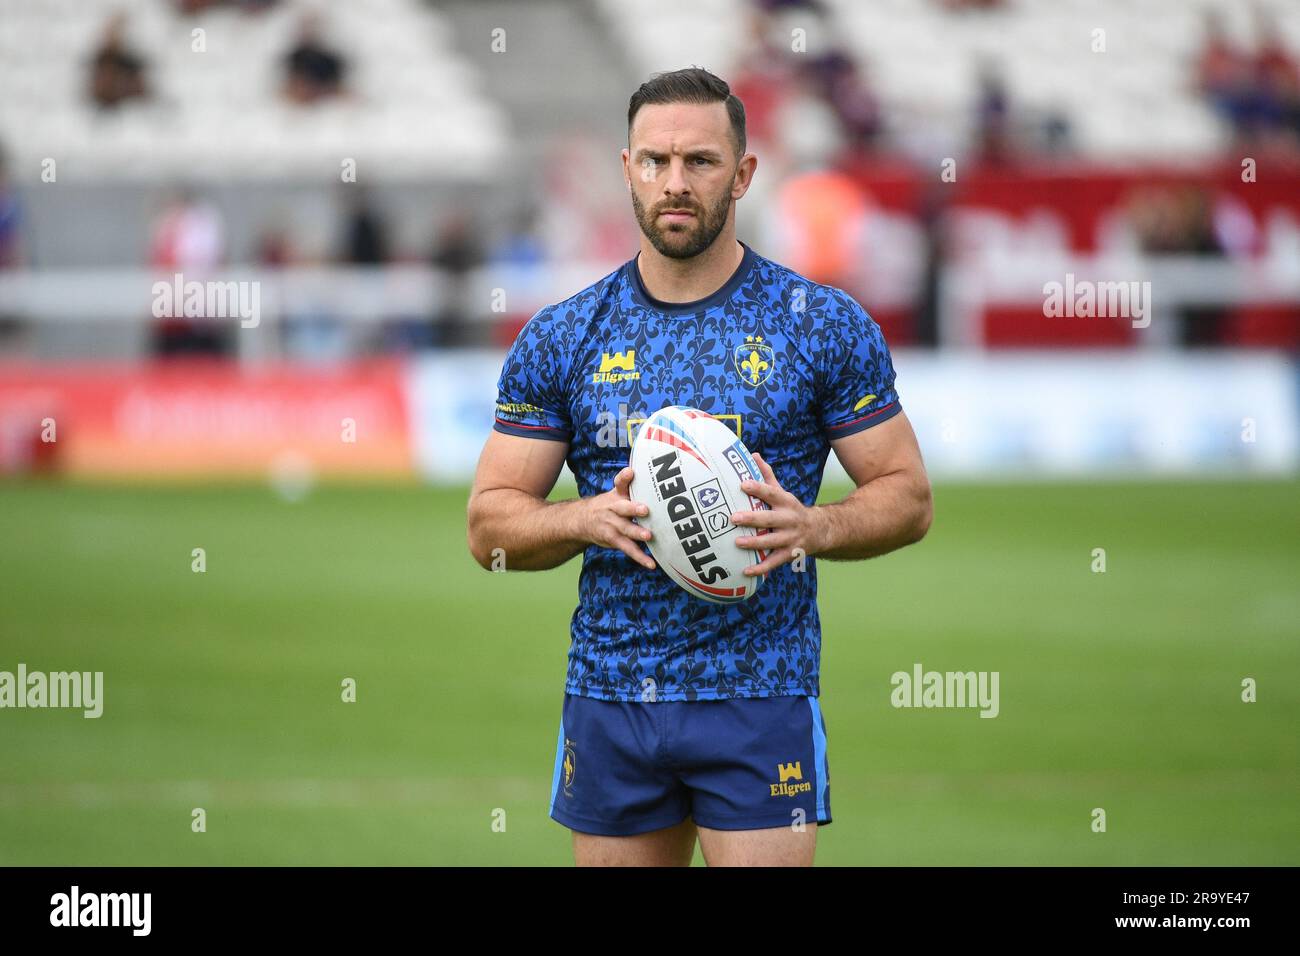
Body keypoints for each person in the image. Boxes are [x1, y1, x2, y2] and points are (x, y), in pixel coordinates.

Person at [466, 68, 932, 867]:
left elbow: (908, 496)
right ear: (627, 169)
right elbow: (488, 523)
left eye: (701, 162)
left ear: (744, 173)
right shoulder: (563, 335)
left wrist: (816, 525)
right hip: (612, 693)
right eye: (655, 161)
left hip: (759, 695)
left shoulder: (818, 324)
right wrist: (584, 518)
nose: (674, 183)